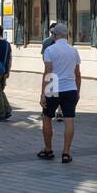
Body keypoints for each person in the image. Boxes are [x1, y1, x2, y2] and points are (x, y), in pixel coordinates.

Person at [38, 22, 80, 164]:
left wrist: (43, 93)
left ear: (55, 35)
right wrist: (78, 90)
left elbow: (48, 72)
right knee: (69, 119)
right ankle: (66, 153)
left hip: (53, 84)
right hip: (70, 86)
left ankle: (48, 149)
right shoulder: (73, 50)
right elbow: (77, 73)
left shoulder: (50, 50)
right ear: (66, 35)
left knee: (47, 117)